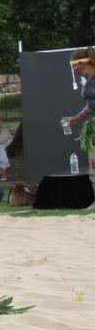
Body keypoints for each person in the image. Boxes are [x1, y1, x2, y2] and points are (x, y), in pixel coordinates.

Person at [63, 46, 95, 208]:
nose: (75, 69)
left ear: (85, 63)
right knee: (93, 163)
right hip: (93, 126)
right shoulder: (88, 81)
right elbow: (90, 106)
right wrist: (76, 118)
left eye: (76, 65)